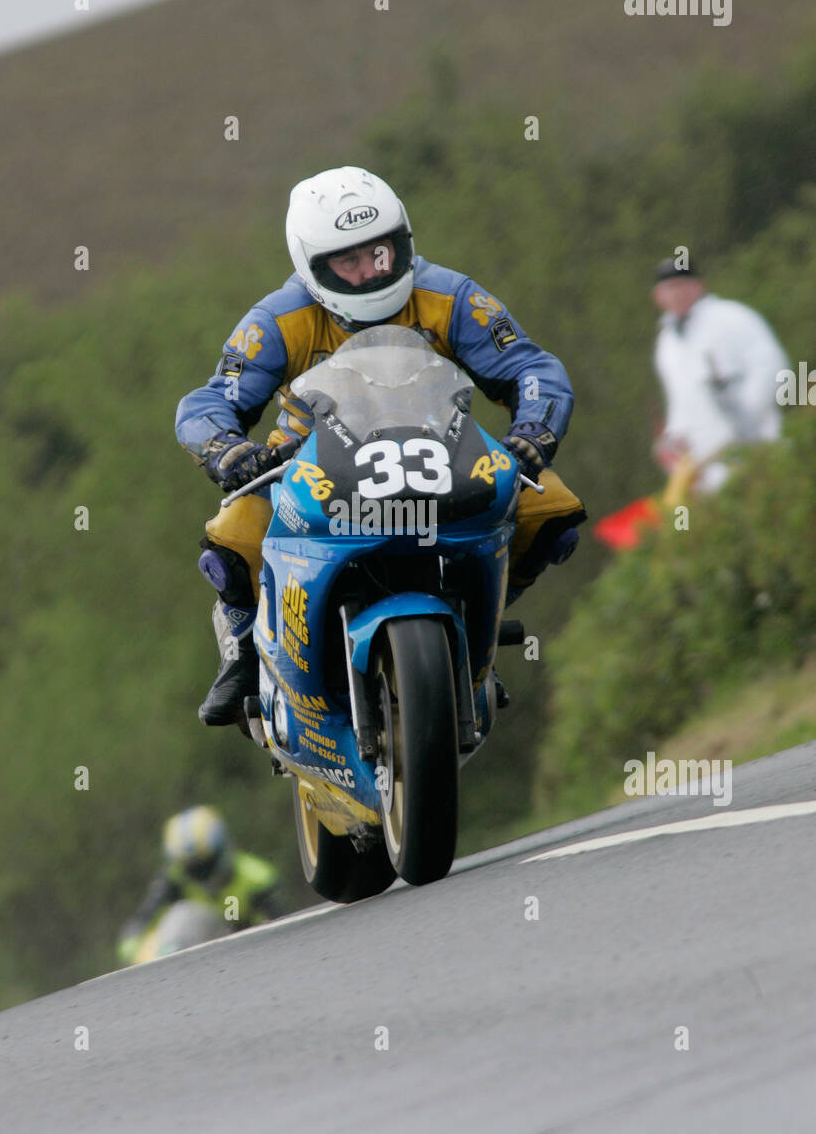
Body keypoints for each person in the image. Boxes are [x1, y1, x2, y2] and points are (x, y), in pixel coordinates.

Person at [175, 166, 586, 730]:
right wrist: (227, 451)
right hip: (307, 464)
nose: (370, 272)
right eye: (349, 261)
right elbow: (207, 402)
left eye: (381, 253)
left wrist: (535, 429)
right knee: (232, 535)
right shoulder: (277, 319)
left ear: (404, 241)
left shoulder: (452, 295)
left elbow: (530, 368)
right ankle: (245, 650)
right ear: (312, 266)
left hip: (442, 453)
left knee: (551, 509)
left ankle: (476, 618)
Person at [651, 255, 788, 498]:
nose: (678, 293)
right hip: (707, 468)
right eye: (670, 287)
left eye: (683, 284)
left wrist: (743, 418)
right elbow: (680, 399)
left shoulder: (732, 318)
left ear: (699, 285)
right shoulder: (667, 342)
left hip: (756, 447)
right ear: (658, 296)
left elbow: (772, 367)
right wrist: (674, 437)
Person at [117, 806, 284, 965]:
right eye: (192, 868)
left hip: (245, 954)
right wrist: (133, 949)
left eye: (206, 864)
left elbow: (280, 925)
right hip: (190, 957)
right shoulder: (173, 879)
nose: (201, 874)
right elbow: (143, 918)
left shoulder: (257, 878)